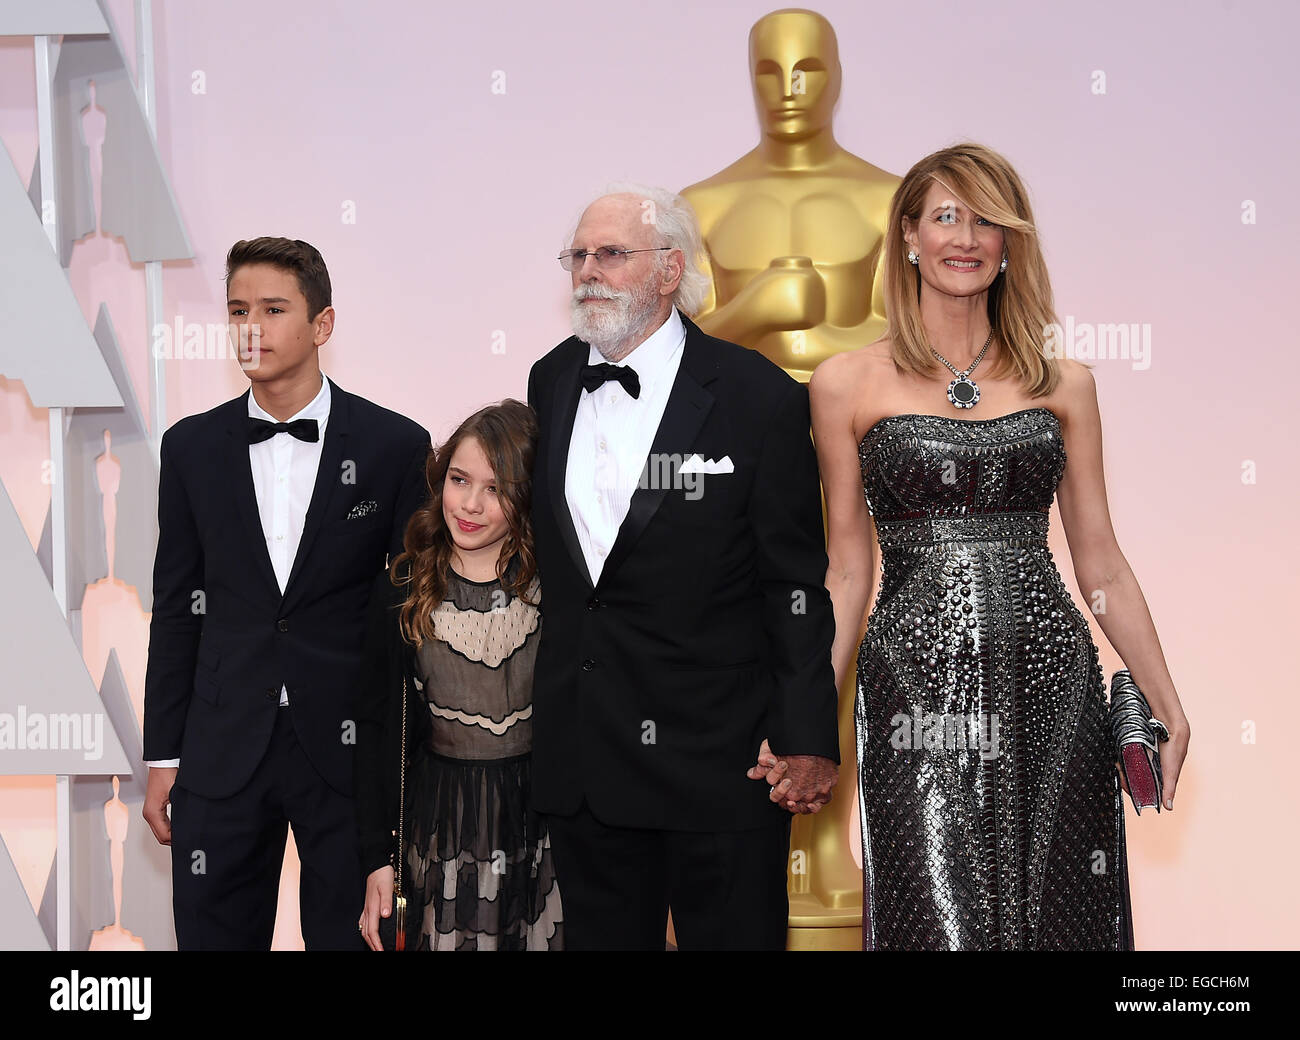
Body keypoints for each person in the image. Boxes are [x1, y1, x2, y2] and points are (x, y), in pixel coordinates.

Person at [804, 142, 1190, 949]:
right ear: (908, 235)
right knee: (937, 921)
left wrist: (1162, 693)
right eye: (947, 215)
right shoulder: (845, 383)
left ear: (1011, 243)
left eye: (988, 220)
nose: (966, 236)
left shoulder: (1065, 382)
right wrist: (808, 713)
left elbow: (1101, 561)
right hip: (915, 693)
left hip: (1055, 686)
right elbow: (846, 569)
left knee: (1057, 917)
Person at [526, 183, 840, 951]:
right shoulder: (549, 381)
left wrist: (807, 734)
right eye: (578, 255)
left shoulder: (757, 395)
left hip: (720, 766)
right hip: (586, 764)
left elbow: (792, 582)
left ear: (669, 270)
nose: (587, 272)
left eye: (610, 254)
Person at [141, 238, 431, 950]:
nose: (252, 327)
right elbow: (178, 608)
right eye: (238, 310)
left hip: (346, 749)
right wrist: (162, 755)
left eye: (273, 309)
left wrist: (406, 767)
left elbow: (408, 621)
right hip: (220, 744)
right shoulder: (190, 449)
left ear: (323, 324)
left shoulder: (396, 446)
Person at [356, 401, 562, 950]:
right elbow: (373, 733)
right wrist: (377, 858)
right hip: (439, 829)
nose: (470, 505)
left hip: (543, 829)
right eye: (459, 479)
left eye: (495, 489)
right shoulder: (402, 587)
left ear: (525, 495)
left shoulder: (558, 587)